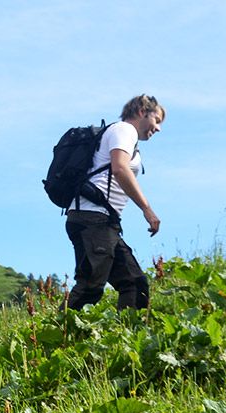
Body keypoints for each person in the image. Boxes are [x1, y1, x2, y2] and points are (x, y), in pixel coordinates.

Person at [66, 94, 165, 310]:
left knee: (134, 282)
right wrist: (147, 209)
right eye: (156, 120)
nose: (158, 128)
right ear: (142, 111)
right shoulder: (124, 130)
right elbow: (119, 168)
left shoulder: (125, 135)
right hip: (92, 217)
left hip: (102, 220)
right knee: (90, 286)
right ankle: (55, 335)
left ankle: (126, 337)